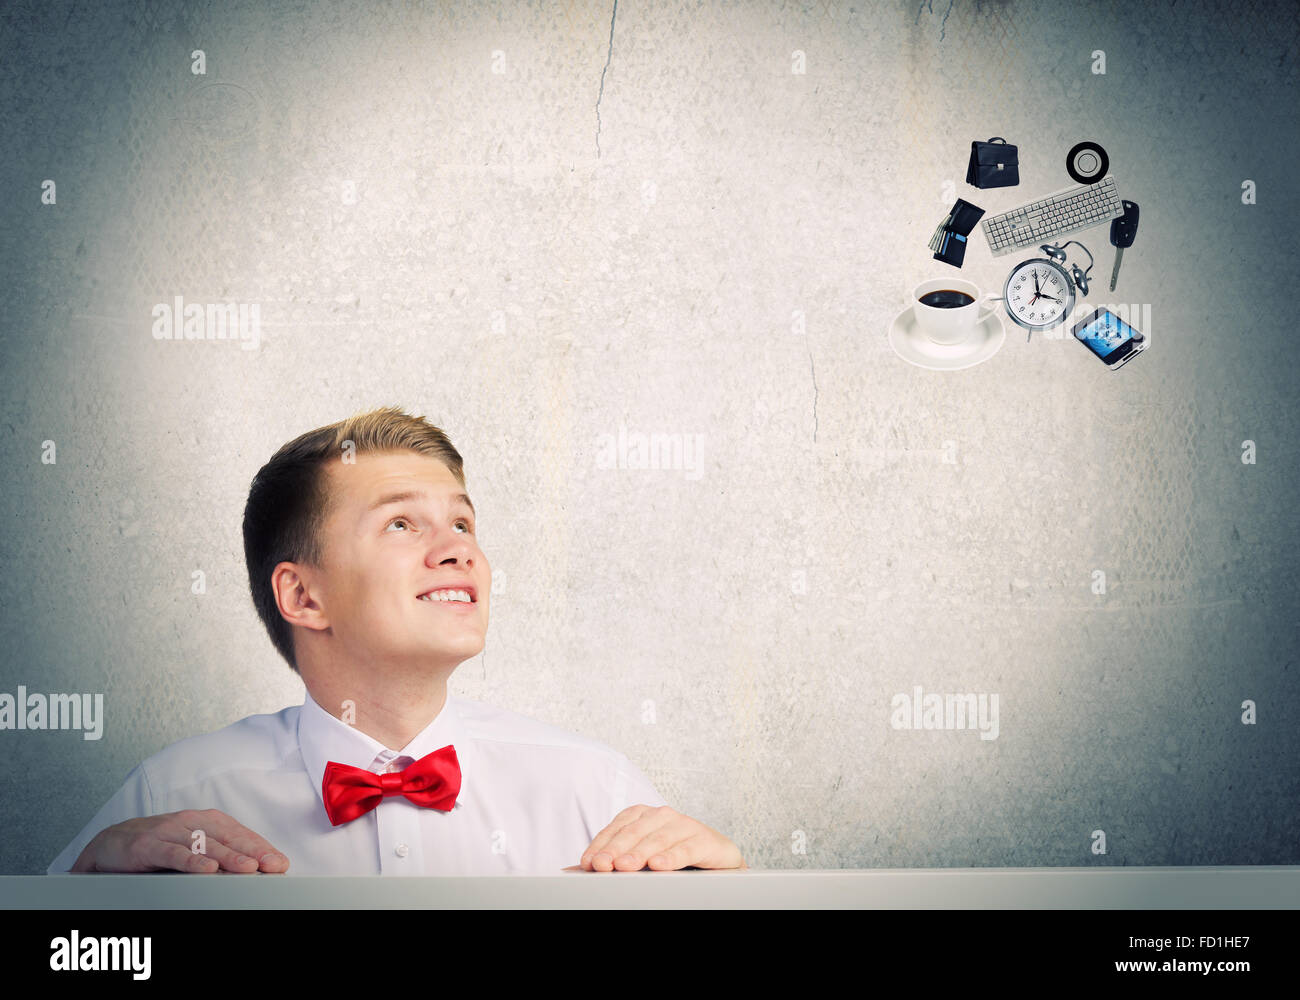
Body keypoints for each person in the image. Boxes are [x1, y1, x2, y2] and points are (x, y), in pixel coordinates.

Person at [47, 406, 745, 875]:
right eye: (402, 525)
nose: (456, 551)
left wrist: (738, 898)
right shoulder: (170, 800)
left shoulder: (597, 794)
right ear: (303, 595)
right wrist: (77, 905)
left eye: (463, 525)